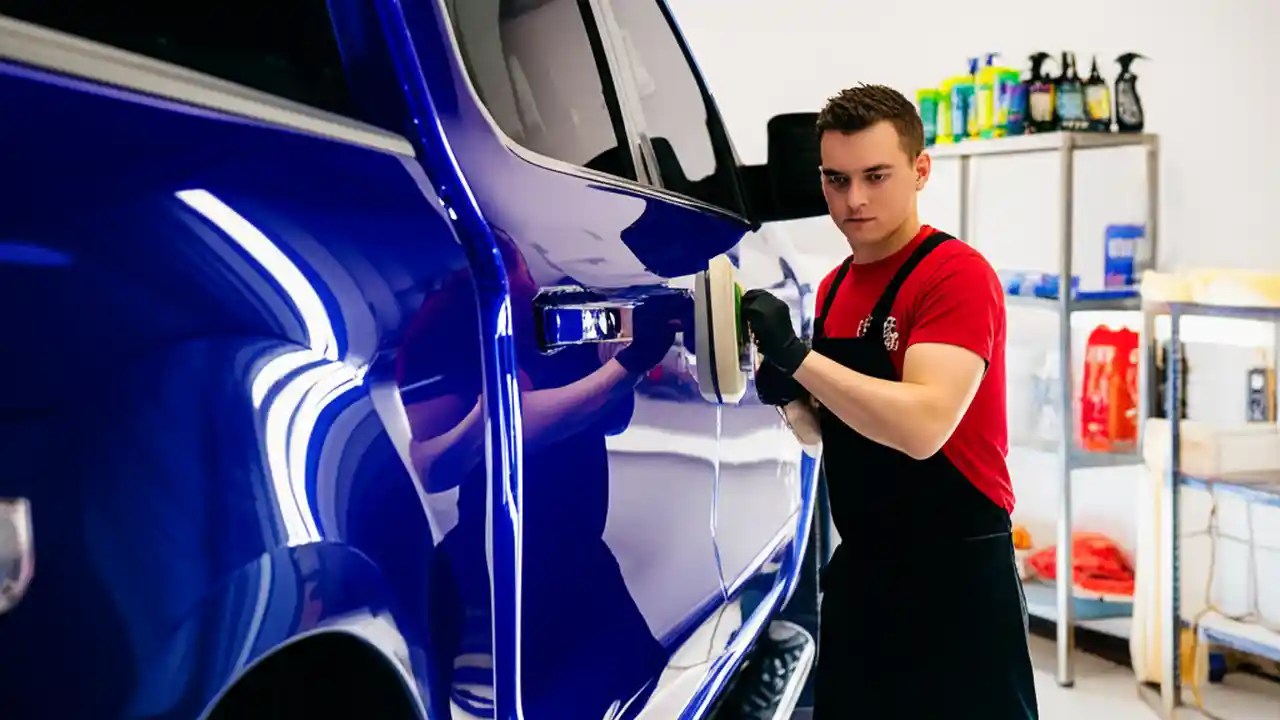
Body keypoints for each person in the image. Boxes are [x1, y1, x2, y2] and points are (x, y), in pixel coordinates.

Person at [742, 84, 1039, 718]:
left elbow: (923, 426)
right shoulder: (834, 287)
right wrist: (792, 399)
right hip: (863, 575)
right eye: (836, 179)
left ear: (920, 170)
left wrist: (801, 359)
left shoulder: (954, 274)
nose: (854, 199)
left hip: (955, 581)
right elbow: (835, 438)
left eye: (876, 176)